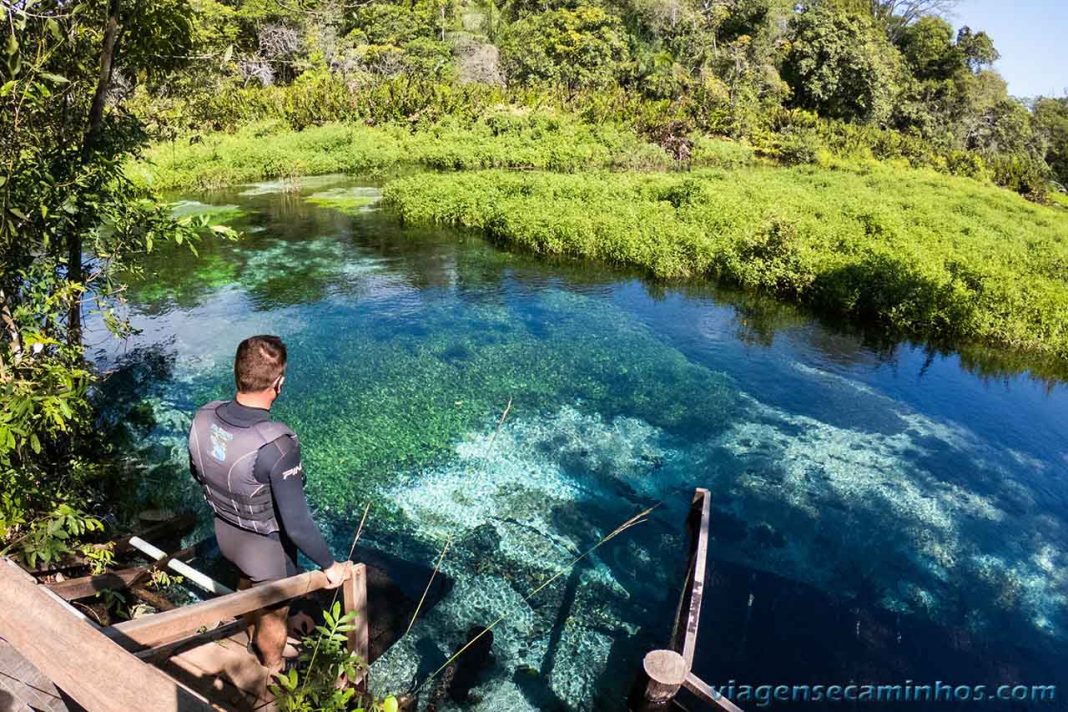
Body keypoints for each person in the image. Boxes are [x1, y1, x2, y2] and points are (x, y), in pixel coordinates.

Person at [187, 334, 347, 675]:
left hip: (225, 533)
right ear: (279, 383)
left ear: (237, 373)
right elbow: (297, 524)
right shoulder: (276, 445)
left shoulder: (204, 417)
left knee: (247, 585)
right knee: (275, 611)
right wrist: (329, 565)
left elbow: (196, 472)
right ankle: (271, 668)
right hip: (265, 551)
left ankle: (249, 634)